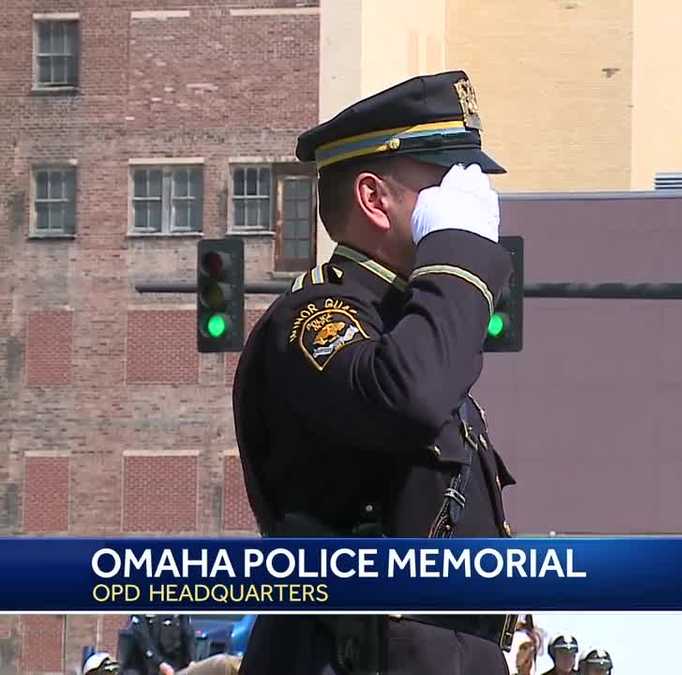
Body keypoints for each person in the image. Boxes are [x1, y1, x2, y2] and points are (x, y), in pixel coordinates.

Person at [232, 71, 517, 675]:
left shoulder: (411, 325)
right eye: (443, 182)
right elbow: (406, 399)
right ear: (373, 197)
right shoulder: (315, 315)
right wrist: (460, 256)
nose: (468, 202)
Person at [125, 615, 194, 675]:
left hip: (174, 661)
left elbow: (188, 634)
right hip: (145, 664)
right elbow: (143, 639)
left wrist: (192, 660)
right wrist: (160, 663)